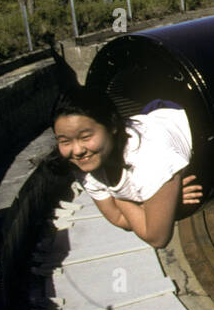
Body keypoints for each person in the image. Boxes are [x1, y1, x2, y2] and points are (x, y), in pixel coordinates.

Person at [52, 83, 202, 250]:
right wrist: (155, 207)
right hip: (152, 117)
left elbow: (157, 238)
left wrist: (118, 199)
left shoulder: (149, 160)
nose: (77, 150)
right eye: (65, 141)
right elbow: (117, 219)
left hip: (195, 117)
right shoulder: (84, 163)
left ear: (112, 126)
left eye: (85, 137)